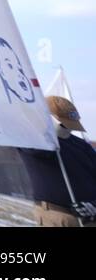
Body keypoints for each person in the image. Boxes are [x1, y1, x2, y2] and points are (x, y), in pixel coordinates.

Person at [20, 96, 95, 226]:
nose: (69, 129)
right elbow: (39, 152)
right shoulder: (33, 141)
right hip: (57, 216)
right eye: (64, 125)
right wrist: (44, 129)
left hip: (89, 218)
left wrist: (93, 205)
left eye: (72, 125)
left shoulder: (81, 145)